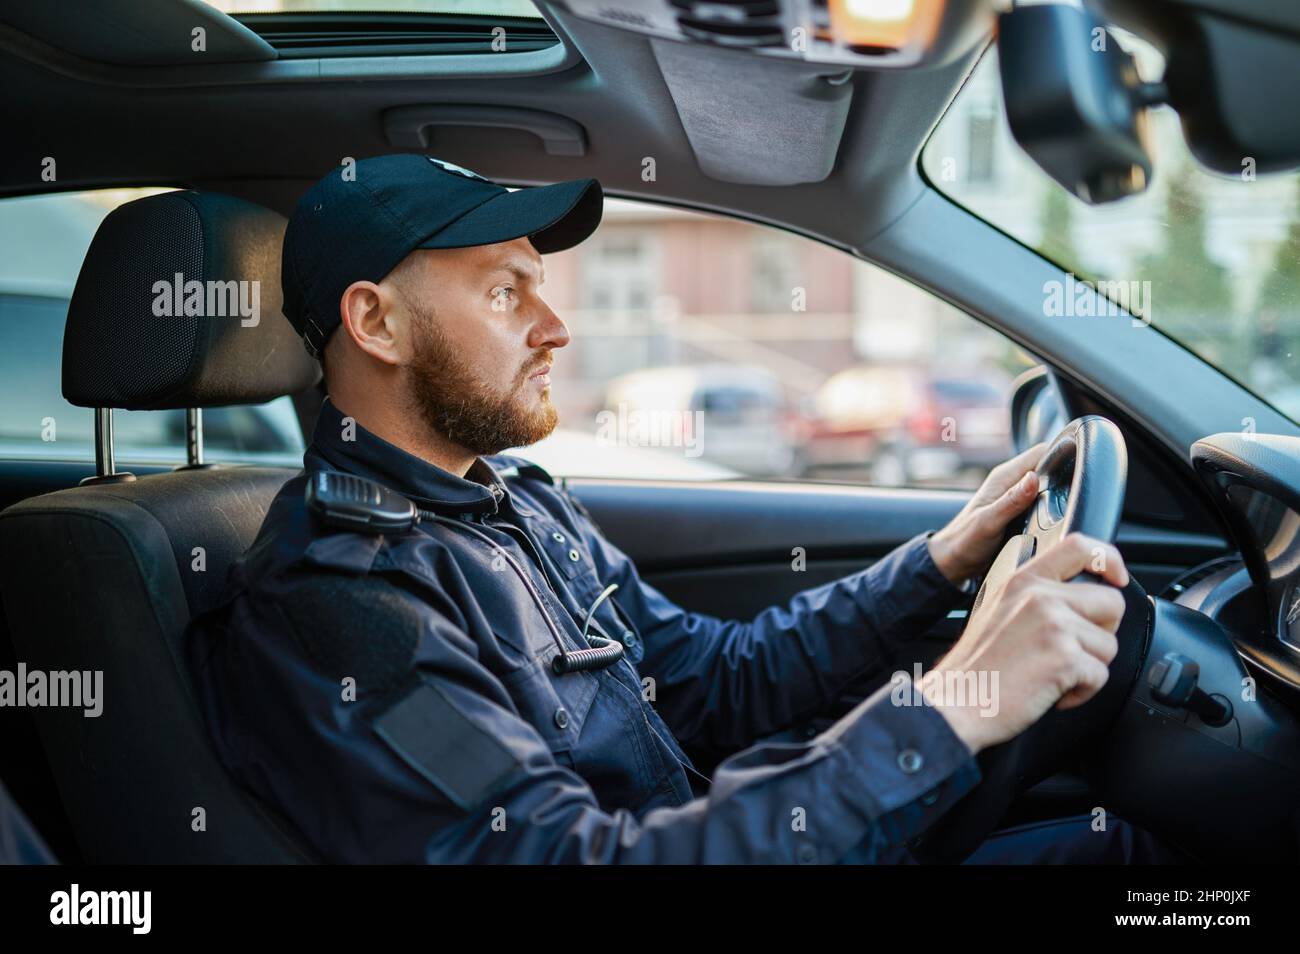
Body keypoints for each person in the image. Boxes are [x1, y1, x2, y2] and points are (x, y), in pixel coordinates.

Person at [188, 154, 1166, 864]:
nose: (555, 327)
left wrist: (942, 559)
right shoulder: (340, 608)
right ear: (376, 322)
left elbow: (714, 683)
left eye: (541, 289)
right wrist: (958, 705)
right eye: (505, 293)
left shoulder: (515, 505)